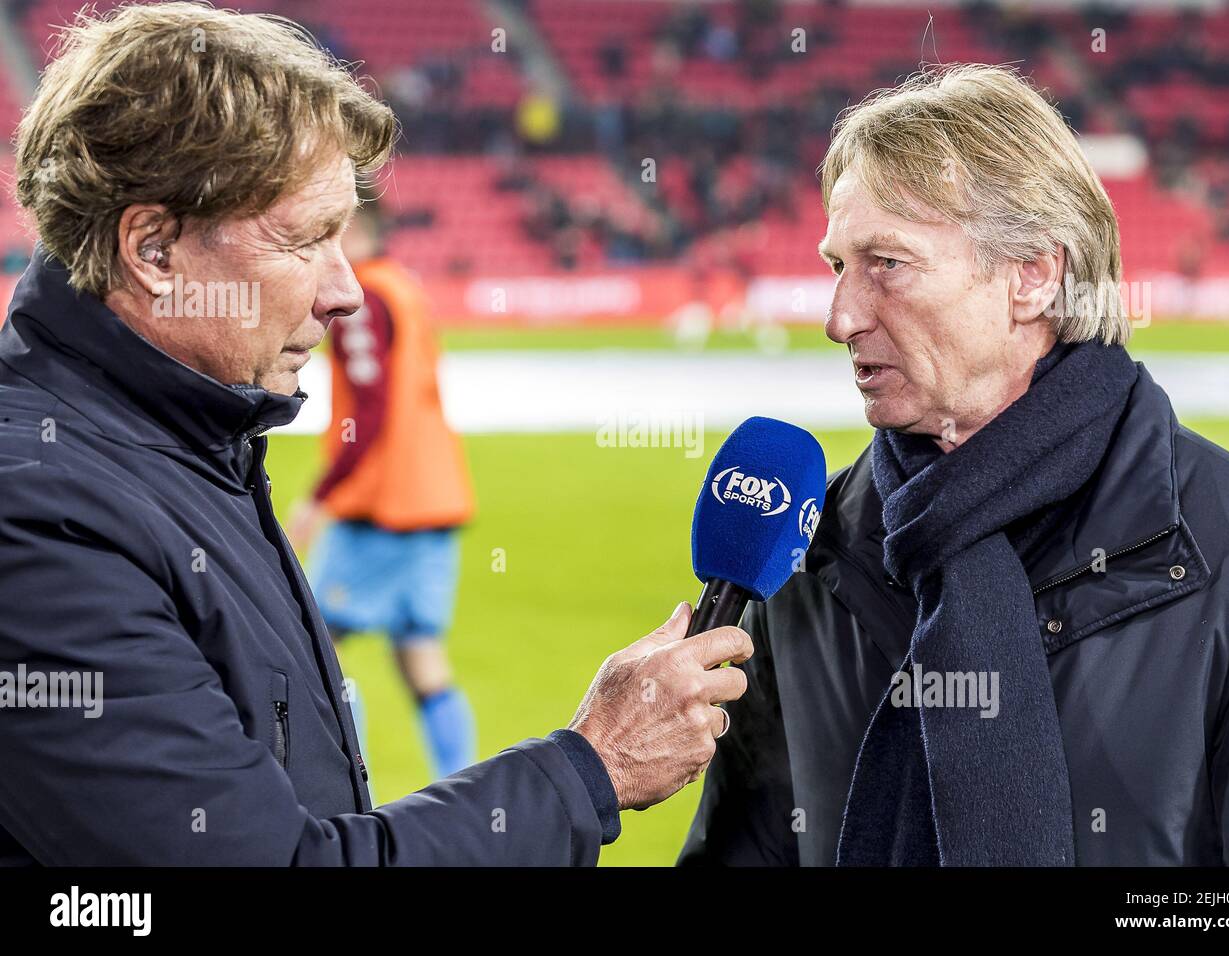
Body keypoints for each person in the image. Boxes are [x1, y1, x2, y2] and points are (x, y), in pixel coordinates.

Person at [0, 2, 751, 866]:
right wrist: (588, 770)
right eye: (307, 239)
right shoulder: (38, 514)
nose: (345, 290)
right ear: (156, 249)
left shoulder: (185, 443)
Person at [680, 64, 1229, 867]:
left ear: (1033, 277)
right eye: (839, 266)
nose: (838, 318)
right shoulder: (804, 556)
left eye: (887, 265)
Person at [289, 197, 477, 780]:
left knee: (309, 650)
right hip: (435, 498)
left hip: (382, 505)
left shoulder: (362, 295)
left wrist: (320, 496)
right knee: (422, 659)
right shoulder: (400, 284)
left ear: (352, 229)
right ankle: (463, 790)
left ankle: (352, 794)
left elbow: (368, 411)